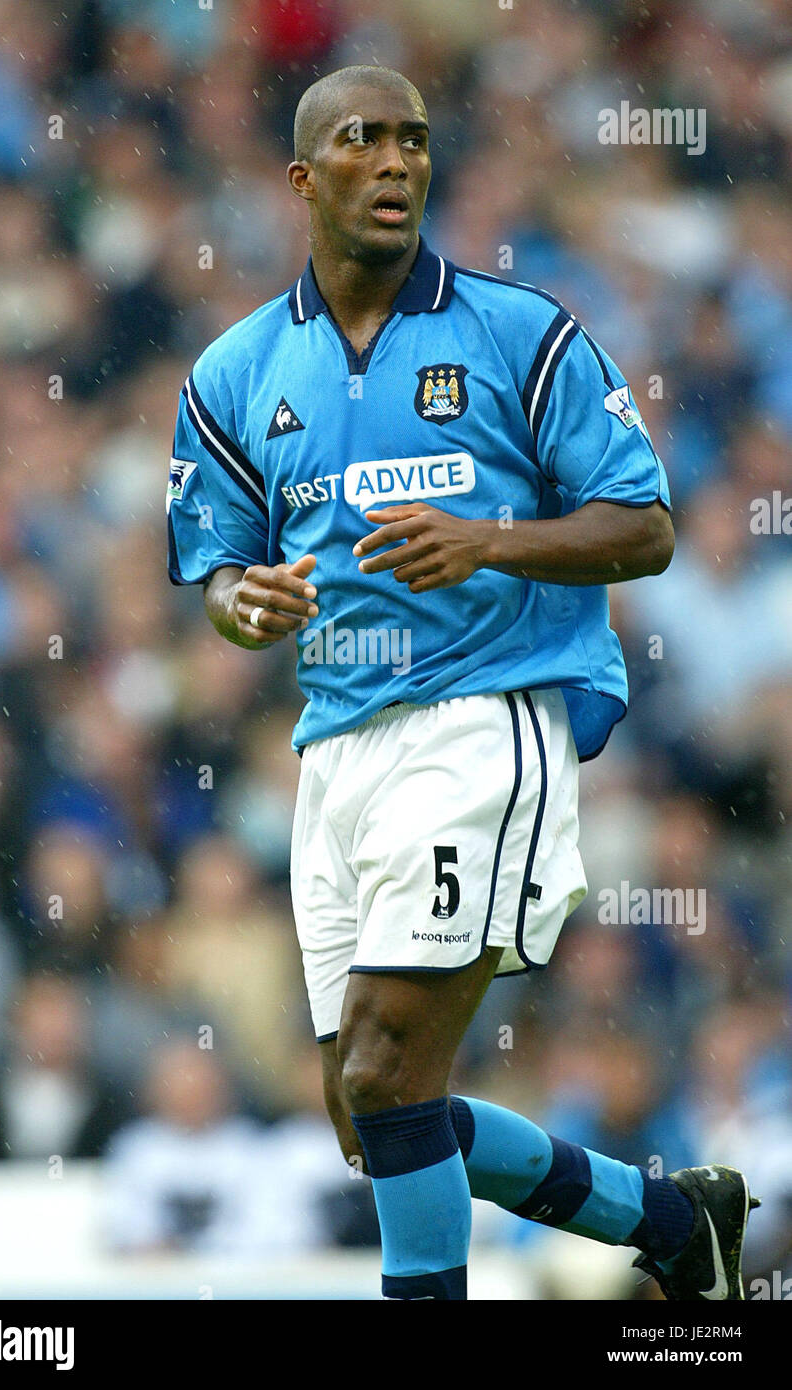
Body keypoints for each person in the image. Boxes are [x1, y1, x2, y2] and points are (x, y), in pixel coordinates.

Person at [166, 64, 758, 1300]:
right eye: (360, 141)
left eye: (413, 141)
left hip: (484, 722)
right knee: (367, 1112)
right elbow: (215, 576)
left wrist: (485, 538)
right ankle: (667, 1223)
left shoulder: (515, 331)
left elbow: (644, 526)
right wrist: (245, 603)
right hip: (334, 750)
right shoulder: (232, 373)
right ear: (300, 176)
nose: (392, 163)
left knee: (386, 1077)